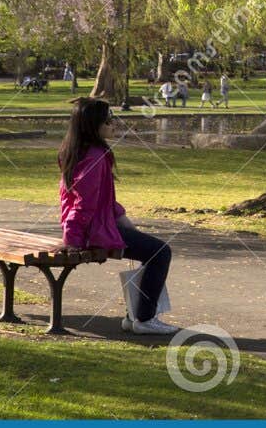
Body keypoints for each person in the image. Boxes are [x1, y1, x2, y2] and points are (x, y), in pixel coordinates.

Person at [57, 98, 178, 335]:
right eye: (109, 120)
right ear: (94, 125)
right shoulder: (94, 156)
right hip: (96, 232)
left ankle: (136, 316)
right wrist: (72, 241)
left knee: (154, 251)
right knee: (160, 252)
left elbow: (104, 200)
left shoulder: (81, 151)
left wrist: (123, 220)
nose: (114, 124)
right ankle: (144, 319)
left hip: (101, 225)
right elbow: (83, 203)